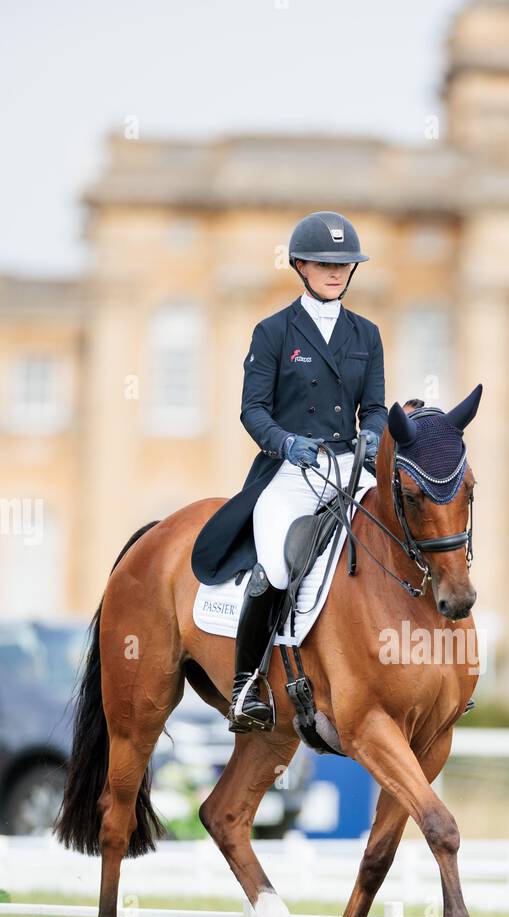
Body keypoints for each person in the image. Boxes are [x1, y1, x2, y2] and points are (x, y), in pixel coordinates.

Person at [190, 210, 387, 732]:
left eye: (345, 264)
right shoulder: (274, 331)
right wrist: (284, 442)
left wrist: (372, 437)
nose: (335, 271)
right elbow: (252, 409)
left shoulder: (366, 334)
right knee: (277, 567)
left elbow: (378, 407)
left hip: (350, 470)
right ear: (300, 265)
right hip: (293, 472)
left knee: (401, 534)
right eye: (324, 262)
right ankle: (247, 685)